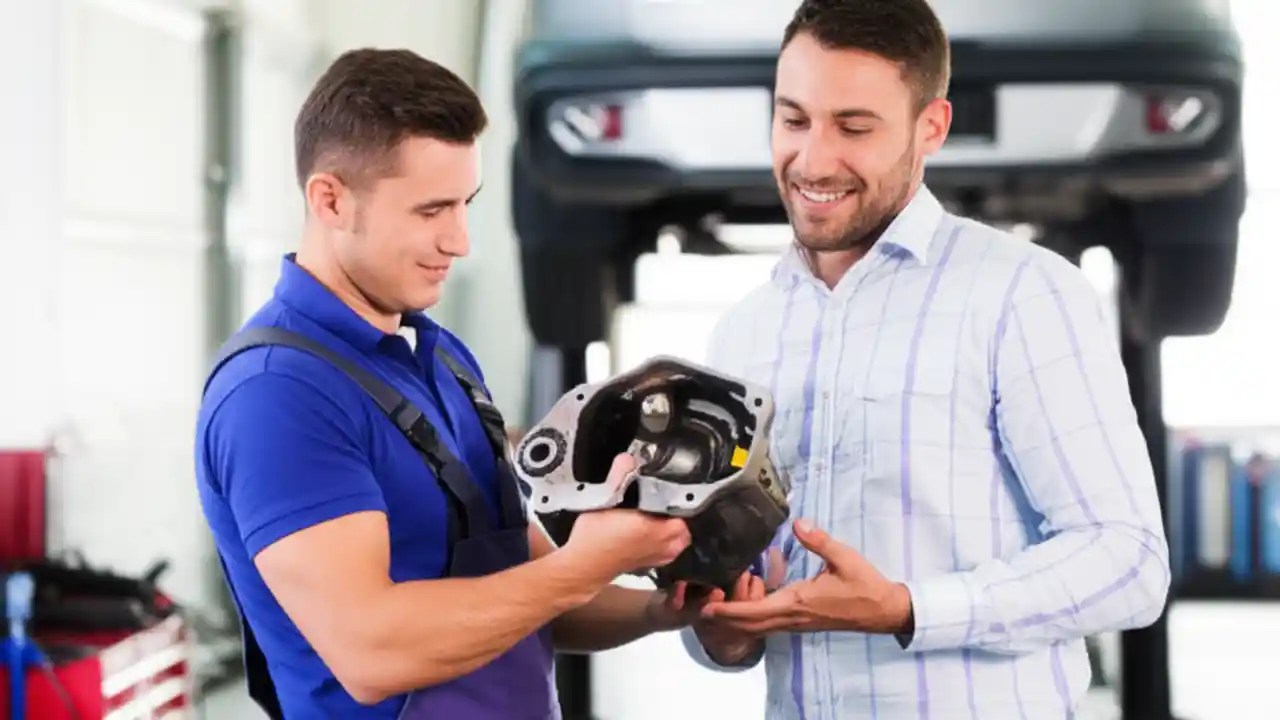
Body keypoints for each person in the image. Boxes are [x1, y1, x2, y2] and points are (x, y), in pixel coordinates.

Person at [681, 1, 1172, 717]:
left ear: (930, 127)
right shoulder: (743, 334)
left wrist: (908, 608)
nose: (814, 159)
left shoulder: (1021, 295)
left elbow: (1126, 562)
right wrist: (723, 633)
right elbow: (736, 592)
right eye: (794, 120)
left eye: (853, 127)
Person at [195, 48, 703, 720]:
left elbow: (520, 596)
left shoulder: (441, 357)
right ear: (330, 199)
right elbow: (371, 652)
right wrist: (582, 564)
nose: (459, 241)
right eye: (431, 210)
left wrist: (663, 610)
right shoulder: (277, 396)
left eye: (465, 204)